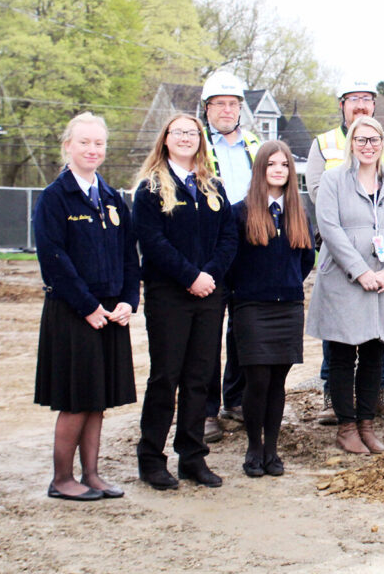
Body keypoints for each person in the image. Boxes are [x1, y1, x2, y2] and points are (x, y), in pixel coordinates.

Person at [33, 112, 139, 501]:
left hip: (111, 313)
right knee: (76, 400)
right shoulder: (54, 198)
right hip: (73, 313)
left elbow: (130, 256)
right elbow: (54, 259)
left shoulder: (112, 198)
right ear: (68, 147)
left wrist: (129, 300)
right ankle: (62, 479)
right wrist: (87, 306)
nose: (92, 150)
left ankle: (91, 475)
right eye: (84, 142)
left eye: (98, 143)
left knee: (98, 399)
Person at [134, 113, 237, 489]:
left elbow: (229, 236)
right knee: (166, 377)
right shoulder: (150, 188)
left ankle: (192, 458)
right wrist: (189, 276)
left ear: (200, 140)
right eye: (178, 132)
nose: (185, 138)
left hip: (210, 295)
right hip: (169, 296)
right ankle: (151, 459)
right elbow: (153, 242)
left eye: (192, 133)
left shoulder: (214, 187)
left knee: (199, 378)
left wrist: (208, 275)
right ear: (165, 139)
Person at [306, 116, 384, 454]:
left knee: (373, 355)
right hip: (344, 281)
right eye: (361, 140)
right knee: (341, 357)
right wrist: (360, 271)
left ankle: (367, 425)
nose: (368, 146)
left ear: (382, 144)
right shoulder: (333, 180)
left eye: (374, 140)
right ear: (351, 144)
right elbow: (330, 228)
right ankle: (346, 427)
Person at [227, 141, 315, 476]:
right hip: (251, 307)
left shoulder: (297, 212)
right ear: (260, 169)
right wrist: (247, 290)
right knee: (257, 381)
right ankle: (254, 447)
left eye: (284, 165)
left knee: (278, 382)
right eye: (271, 165)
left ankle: (272, 451)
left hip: (288, 307)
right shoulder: (240, 212)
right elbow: (230, 262)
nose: (278, 170)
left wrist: (286, 283)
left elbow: (306, 259)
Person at [199, 71, 262, 443]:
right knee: (207, 331)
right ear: (206, 109)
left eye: (232, 104)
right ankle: (204, 410)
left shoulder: (255, 145)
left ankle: (235, 401)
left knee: (243, 329)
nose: (226, 110)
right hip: (211, 248)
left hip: (249, 246)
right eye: (219, 104)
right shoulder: (196, 145)